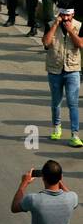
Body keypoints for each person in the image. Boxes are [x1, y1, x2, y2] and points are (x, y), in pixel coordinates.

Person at [42, 8, 82, 147]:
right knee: (56, 102)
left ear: (73, 14)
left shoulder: (79, 26)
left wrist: (71, 31)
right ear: (59, 14)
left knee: (73, 104)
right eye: (63, 15)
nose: (65, 18)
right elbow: (46, 43)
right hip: (55, 70)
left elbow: (80, 44)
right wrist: (54, 25)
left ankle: (74, 135)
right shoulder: (50, 24)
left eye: (68, 15)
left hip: (73, 70)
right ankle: (57, 127)